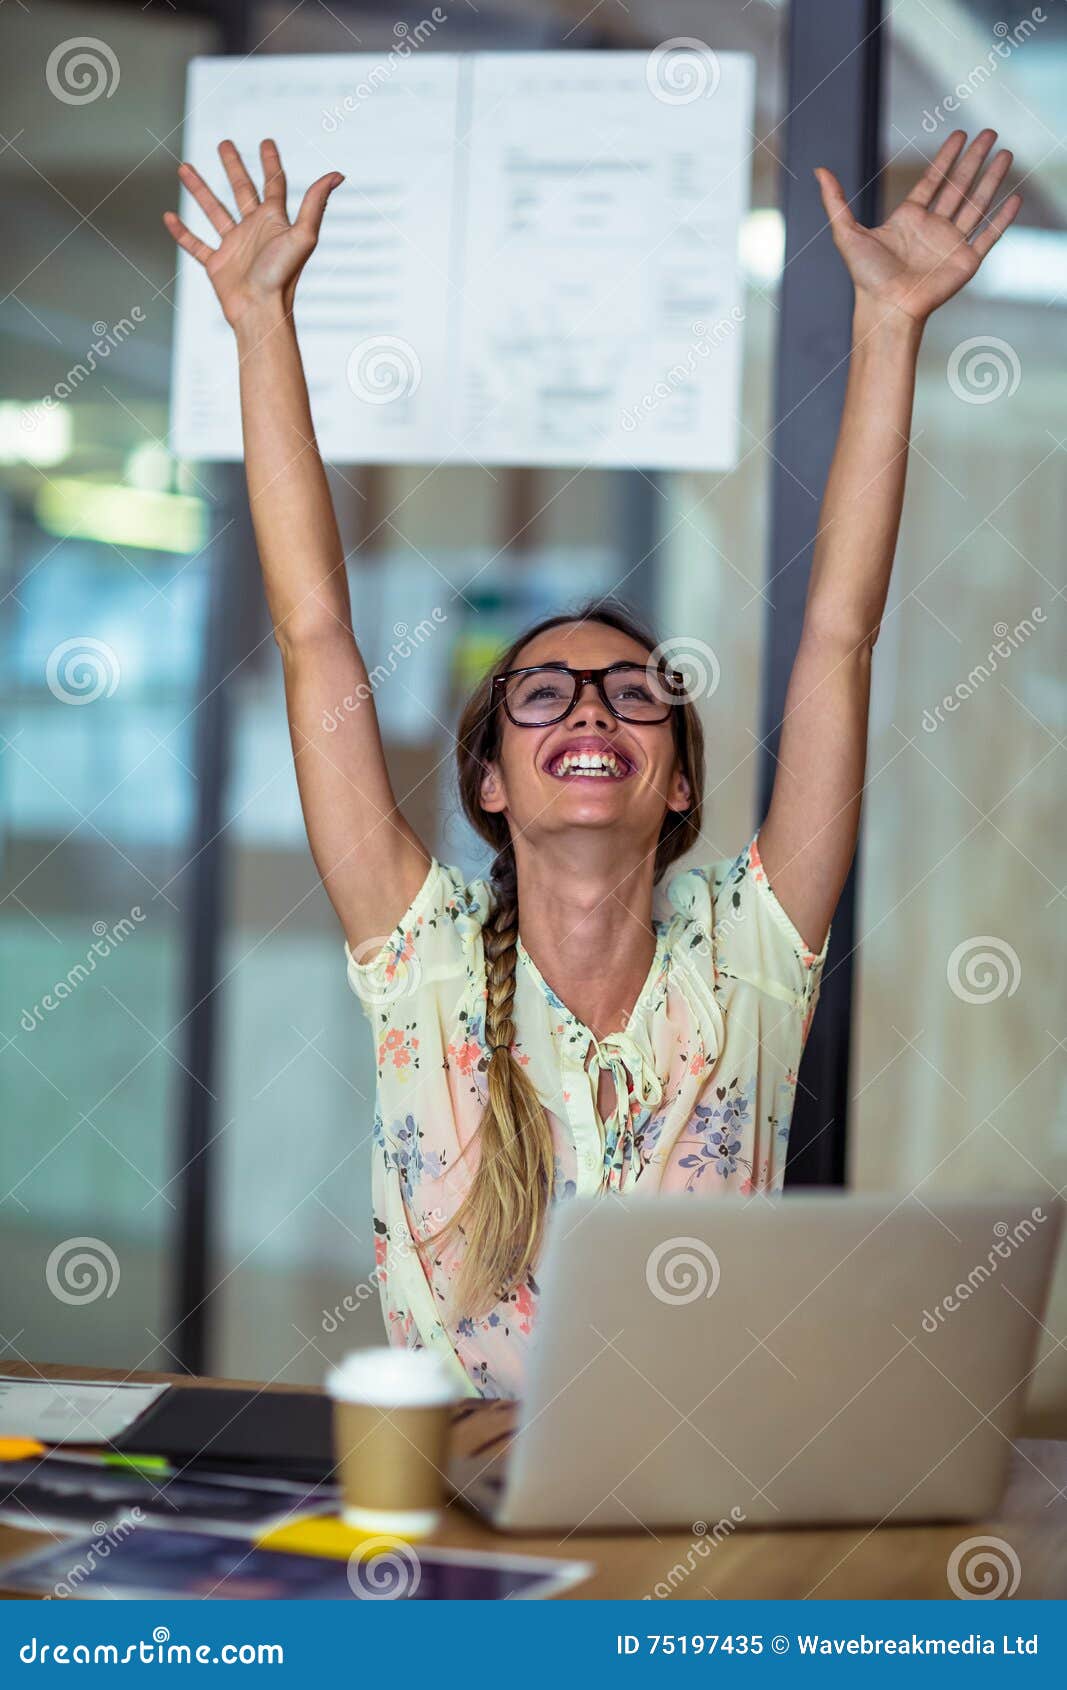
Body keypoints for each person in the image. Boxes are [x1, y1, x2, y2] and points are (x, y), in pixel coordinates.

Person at [165, 128, 1020, 1398]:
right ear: (490, 782)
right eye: (542, 693)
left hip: (699, 1499)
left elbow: (837, 637)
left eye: (635, 695)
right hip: (458, 1506)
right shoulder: (423, 956)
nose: (590, 708)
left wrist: (889, 324)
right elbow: (312, 633)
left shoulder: (752, 947)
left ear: (675, 782)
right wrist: (257, 322)